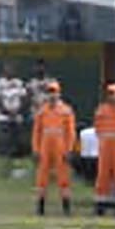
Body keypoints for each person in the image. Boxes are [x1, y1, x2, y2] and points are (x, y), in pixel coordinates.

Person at [31, 81, 79, 216]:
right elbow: (36, 132)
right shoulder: (42, 111)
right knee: (42, 177)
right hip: (45, 146)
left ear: (59, 93)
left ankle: (66, 207)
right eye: (49, 92)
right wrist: (36, 149)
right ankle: (40, 207)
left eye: (54, 92)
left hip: (61, 146)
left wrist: (69, 149)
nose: (52, 95)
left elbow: (71, 132)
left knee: (63, 176)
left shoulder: (66, 111)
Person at [0, 67, 29, 173]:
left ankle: (16, 164)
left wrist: (17, 111)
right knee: (4, 140)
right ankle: (4, 165)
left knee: (16, 141)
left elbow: (24, 98)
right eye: (8, 69)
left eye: (12, 69)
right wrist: (7, 111)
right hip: (3, 117)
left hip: (17, 117)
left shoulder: (19, 83)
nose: (10, 72)